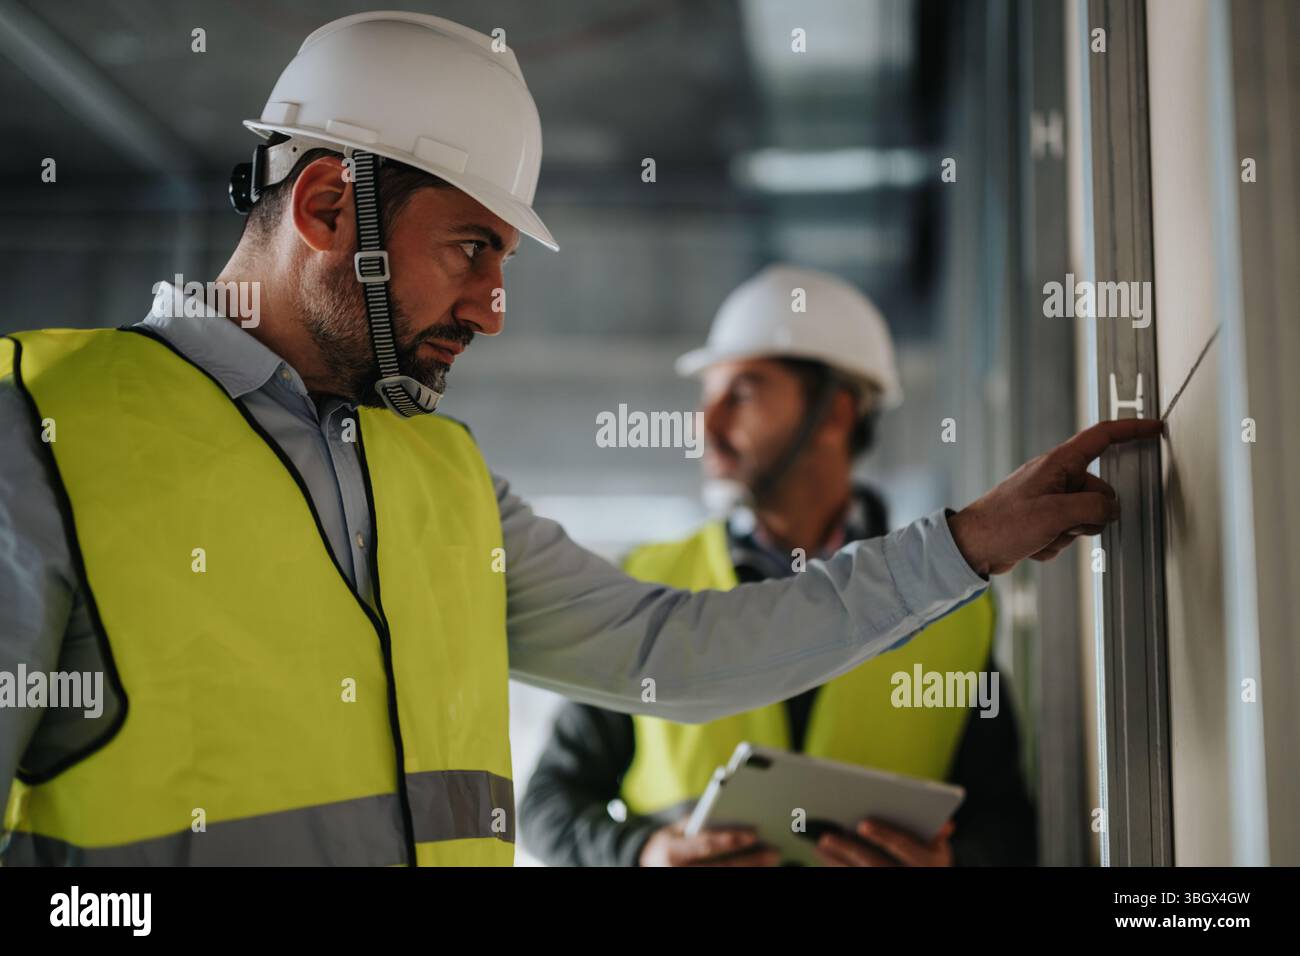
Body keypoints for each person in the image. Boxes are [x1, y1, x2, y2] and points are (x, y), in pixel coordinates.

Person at [0, 13, 1158, 866]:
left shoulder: (437, 478)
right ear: (321, 209)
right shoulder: (43, 437)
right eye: (470, 248)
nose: (495, 307)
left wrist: (965, 542)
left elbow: (679, 652)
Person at [521, 266, 1037, 867]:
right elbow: (546, 803)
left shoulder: (951, 608)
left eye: (742, 393)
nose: (707, 426)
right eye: (707, 398)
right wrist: (643, 853)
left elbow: (1008, 825)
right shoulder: (647, 582)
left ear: (836, 413)